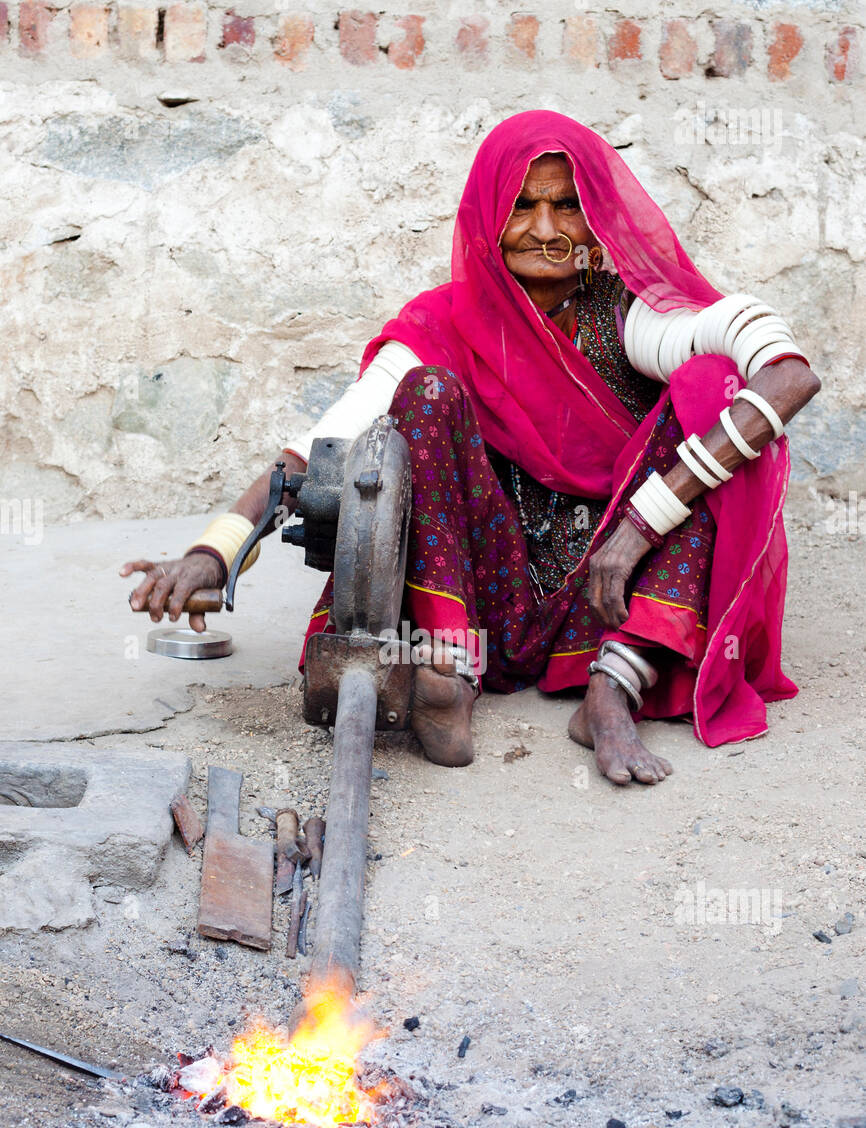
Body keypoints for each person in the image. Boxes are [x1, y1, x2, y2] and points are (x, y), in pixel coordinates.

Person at [122, 111, 821, 786]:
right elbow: (316, 449)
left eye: (565, 207)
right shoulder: (445, 324)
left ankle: (612, 692)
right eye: (521, 206)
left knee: (712, 391)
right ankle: (449, 673)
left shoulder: (629, 317)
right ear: (488, 214)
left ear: (595, 220)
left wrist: (640, 526)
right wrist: (216, 550)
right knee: (423, 394)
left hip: (608, 595)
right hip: (490, 594)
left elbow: (785, 371)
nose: (544, 231)